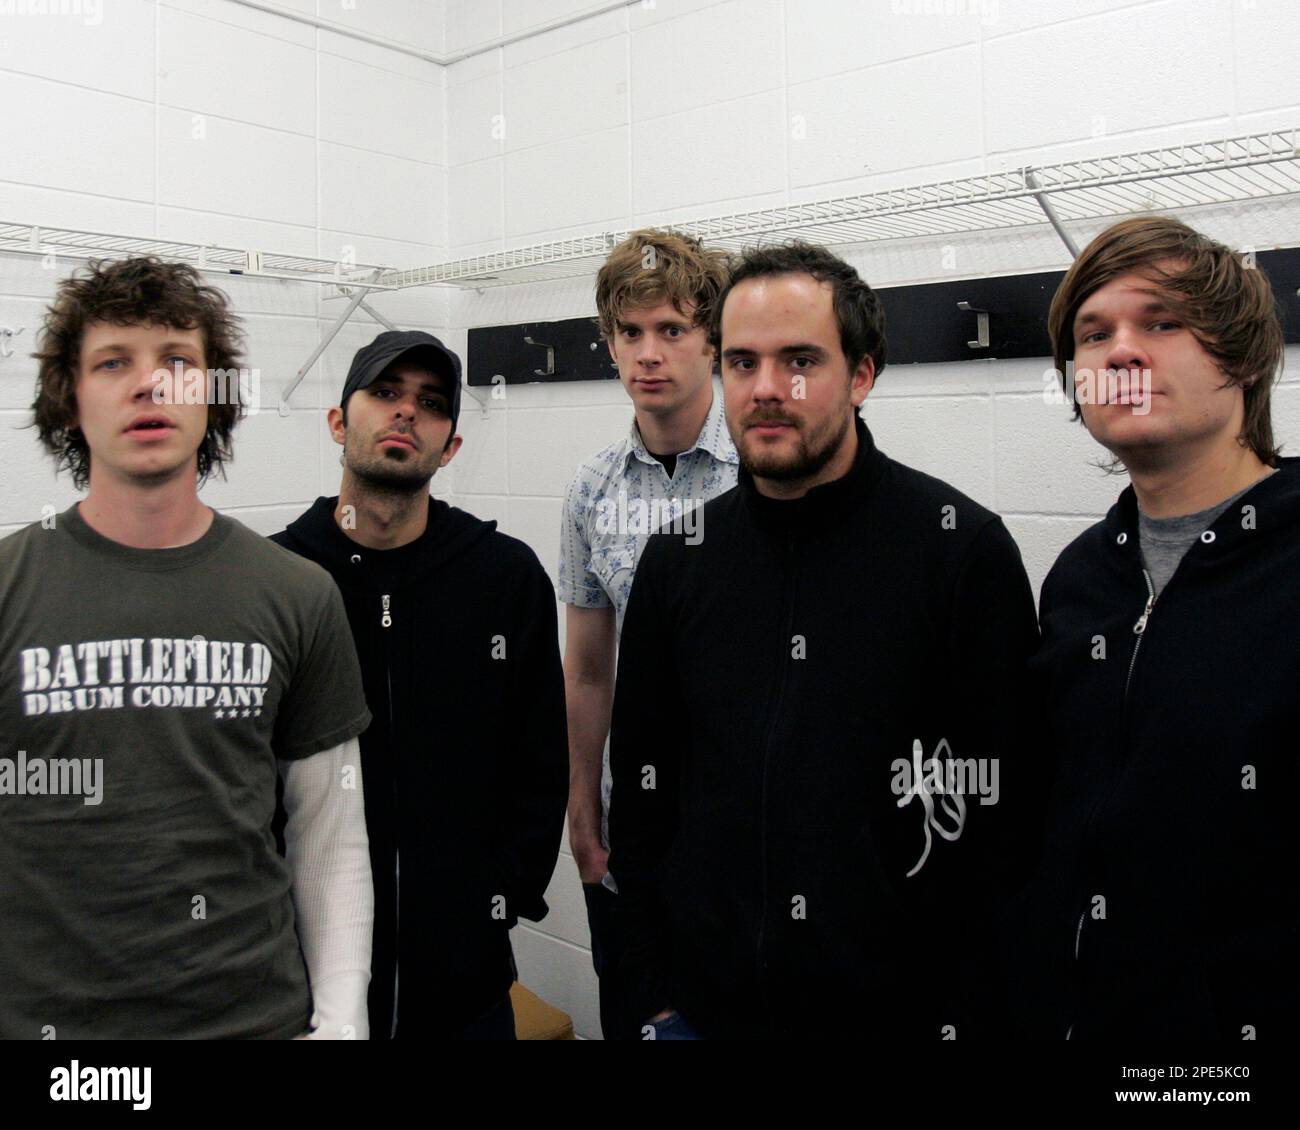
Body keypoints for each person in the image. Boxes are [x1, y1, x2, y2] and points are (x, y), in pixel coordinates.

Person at [607, 242, 1040, 1040]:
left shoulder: (958, 553)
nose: (768, 390)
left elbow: (1007, 834)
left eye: (800, 360)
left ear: (863, 374)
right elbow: (642, 803)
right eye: (742, 363)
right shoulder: (678, 560)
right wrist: (648, 996)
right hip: (704, 1014)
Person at [0, 256, 373, 1039]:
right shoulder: (8, 586)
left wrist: (341, 1025)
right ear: (69, 400)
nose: (151, 385)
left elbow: (329, 838)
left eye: (177, 361)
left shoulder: (297, 594)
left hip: (251, 1020)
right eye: (113, 363)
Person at [1020, 215, 1296, 1039]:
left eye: (1163, 322)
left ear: (1241, 354)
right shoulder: (1079, 578)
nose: (1120, 353)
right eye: (1092, 335)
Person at [273, 329, 568, 1040]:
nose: (407, 412)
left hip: (466, 989)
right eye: (385, 393)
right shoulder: (279, 582)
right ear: (339, 422)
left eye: (431, 404)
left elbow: (540, 761)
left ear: (451, 447)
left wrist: (499, 895)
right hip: (303, 988)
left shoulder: (504, 579)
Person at [558, 229, 737, 1039]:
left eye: (671, 330)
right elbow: (589, 669)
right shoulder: (592, 489)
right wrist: (582, 810)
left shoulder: (761, 469)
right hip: (636, 824)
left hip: (744, 822)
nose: (649, 353)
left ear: (713, 341)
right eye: (630, 333)